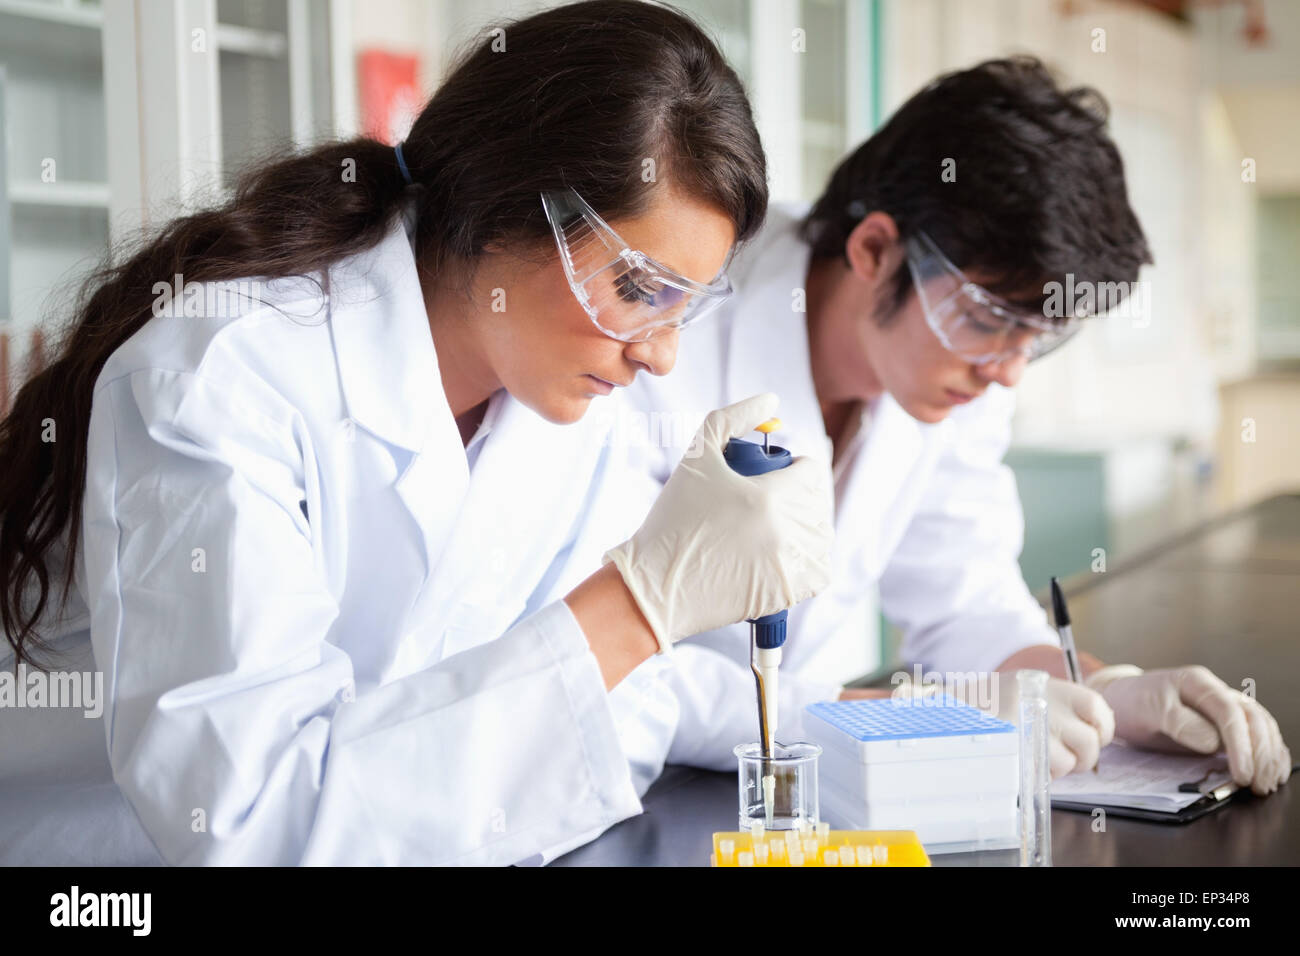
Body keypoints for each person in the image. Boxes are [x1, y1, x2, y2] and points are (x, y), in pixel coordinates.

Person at [0, 0, 832, 865]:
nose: (660, 356)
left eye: (684, 308)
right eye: (638, 290)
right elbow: (252, 823)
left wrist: (843, 715)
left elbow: (597, 694)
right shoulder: (226, 379)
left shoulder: (556, 408)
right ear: (510, 203)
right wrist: (639, 603)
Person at [617, 57, 1291, 794]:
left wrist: (1107, 692)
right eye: (989, 320)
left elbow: (966, 603)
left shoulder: (963, 366)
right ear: (875, 249)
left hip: (791, 783)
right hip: (631, 786)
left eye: (1036, 335)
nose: (1007, 370)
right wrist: (906, 716)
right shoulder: (672, 326)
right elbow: (610, 661)